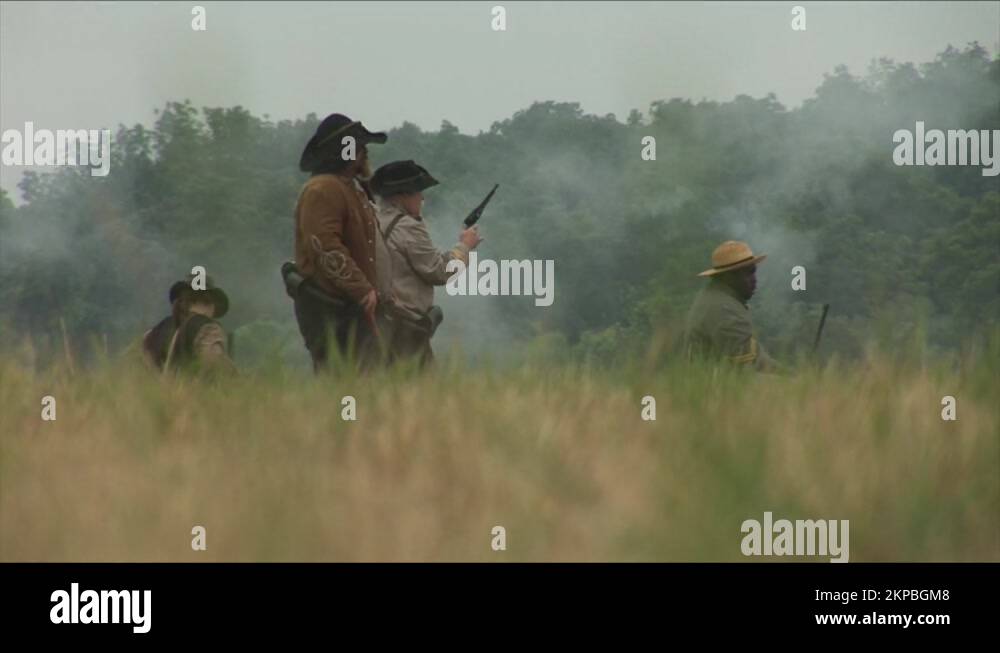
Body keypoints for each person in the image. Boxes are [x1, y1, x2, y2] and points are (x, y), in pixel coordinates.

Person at [289, 113, 390, 372]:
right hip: (332, 310)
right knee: (343, 384)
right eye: (359, 147)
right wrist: (360, 288)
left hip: (351, 308)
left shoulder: (349, 188)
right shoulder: (323, 189)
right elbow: (324, 246)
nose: (365, 152)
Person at [371, 160, 482, 365]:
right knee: (422, 391)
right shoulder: (408, 226)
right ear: (402, 196)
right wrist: (465, 247)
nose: (421, 197)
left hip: (379, 322)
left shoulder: (373, 218)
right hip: (403, 326)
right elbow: (439, 272)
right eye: (417, 192)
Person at [683, 240, 779, 371]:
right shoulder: (724, 309)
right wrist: (795, 376)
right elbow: (751, 363)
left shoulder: (715, 297)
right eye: (749, 273)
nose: (754, 279)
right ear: (729, 276)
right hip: (714, 385)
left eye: (754, 271)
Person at [142, 274, 236, 374]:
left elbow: (134, 369)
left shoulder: (154, 332)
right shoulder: (207, 328)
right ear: (209, 303)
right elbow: (216, 365)